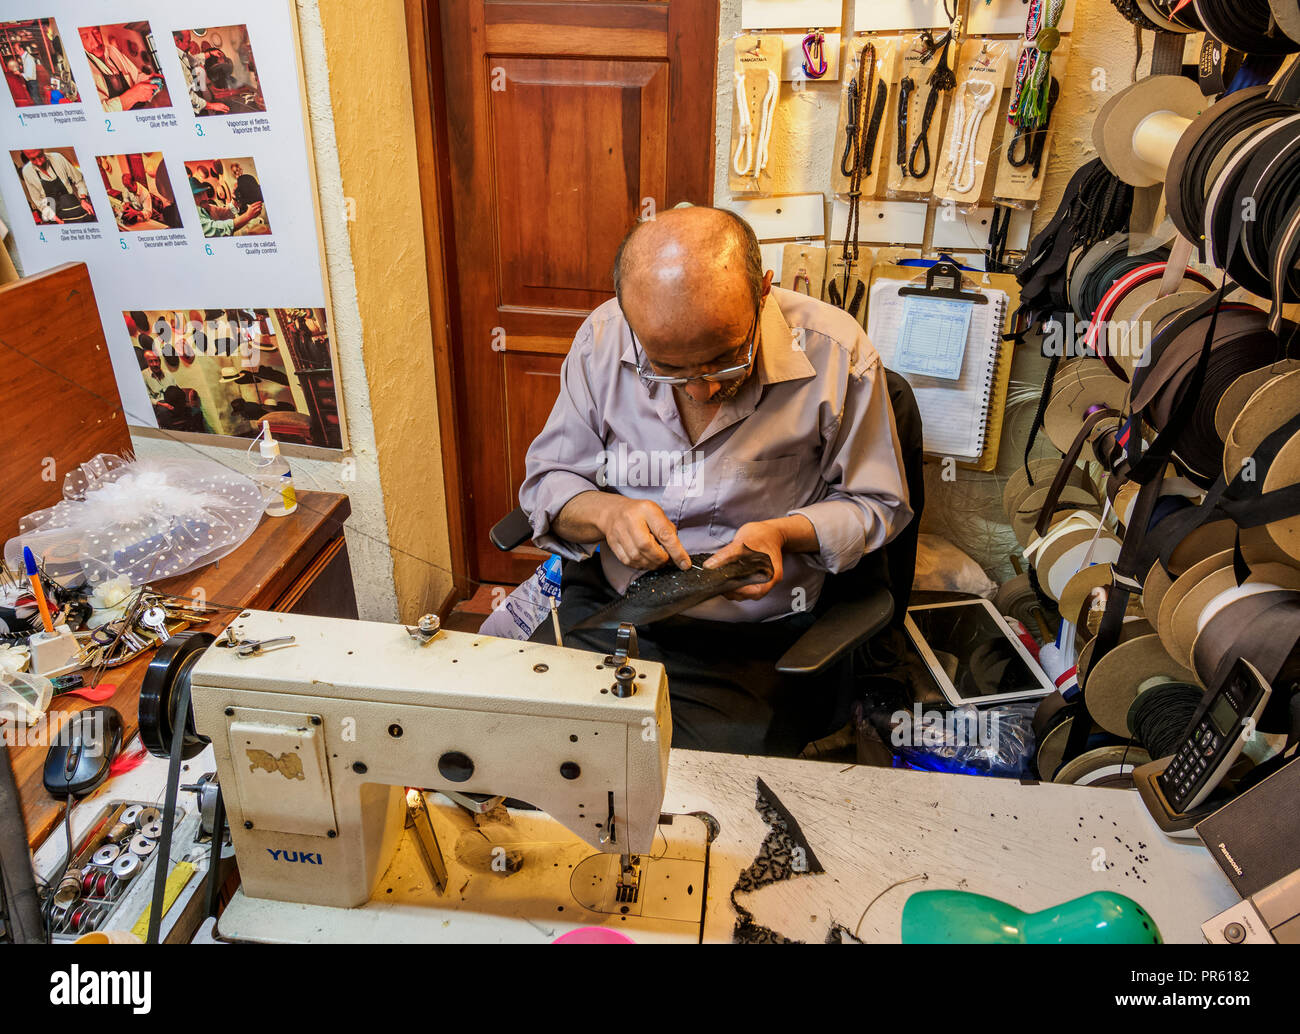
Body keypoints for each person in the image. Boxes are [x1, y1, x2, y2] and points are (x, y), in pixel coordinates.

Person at [519, 206, 911, 756]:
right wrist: (607, 515)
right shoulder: (602, 340)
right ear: (632, 319)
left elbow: (877, 504)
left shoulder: (835, 354)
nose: (700, 392)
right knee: (526, 744)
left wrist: (784, 532)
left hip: (751, 639)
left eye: (724, 363)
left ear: (764, 291)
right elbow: (548, 485)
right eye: (667, 369)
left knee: (697, 799)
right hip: (618, 613)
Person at [79, 26, 161, 112]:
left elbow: (137, 76)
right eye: (85, 37)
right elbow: (97, 111)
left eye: (96, 33)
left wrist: (148, 79)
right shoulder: (82, 67)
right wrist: (133, 96)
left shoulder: (113, 51)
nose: (95, 43)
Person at [18, 149, 94, 224]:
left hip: (75, 209)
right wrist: (54, 218)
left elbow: (79, 179)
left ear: (42, 150)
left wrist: (83, 199)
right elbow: (39, 201)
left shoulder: (58, 158)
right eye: (33, 159)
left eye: (40, 156)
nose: (39, 162)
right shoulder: (27, 172)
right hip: (57, 218)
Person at [191, 177, 261, 236]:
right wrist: (247, 216)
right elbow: (217, 229)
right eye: (197, 195)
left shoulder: (210, 207)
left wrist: (235, 201)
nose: (203, 198)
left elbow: (227, 213)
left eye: (203, 193)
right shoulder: (195, 217)